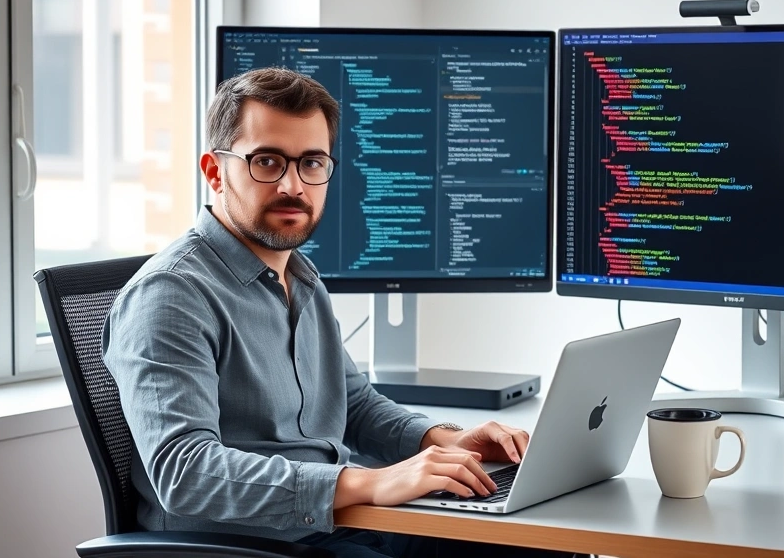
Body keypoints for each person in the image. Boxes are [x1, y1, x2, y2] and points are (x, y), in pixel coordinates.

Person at [102, 67, 576, 557]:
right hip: (251, 544)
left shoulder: (299, 276)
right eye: (267, 161)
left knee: (548, 542)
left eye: (312, 163)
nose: (293, 185)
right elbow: (187, 472)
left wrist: (448, 441)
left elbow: (355, 406)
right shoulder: (170, 296)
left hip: (338, 524)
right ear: (215, 171)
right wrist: (366, 483)